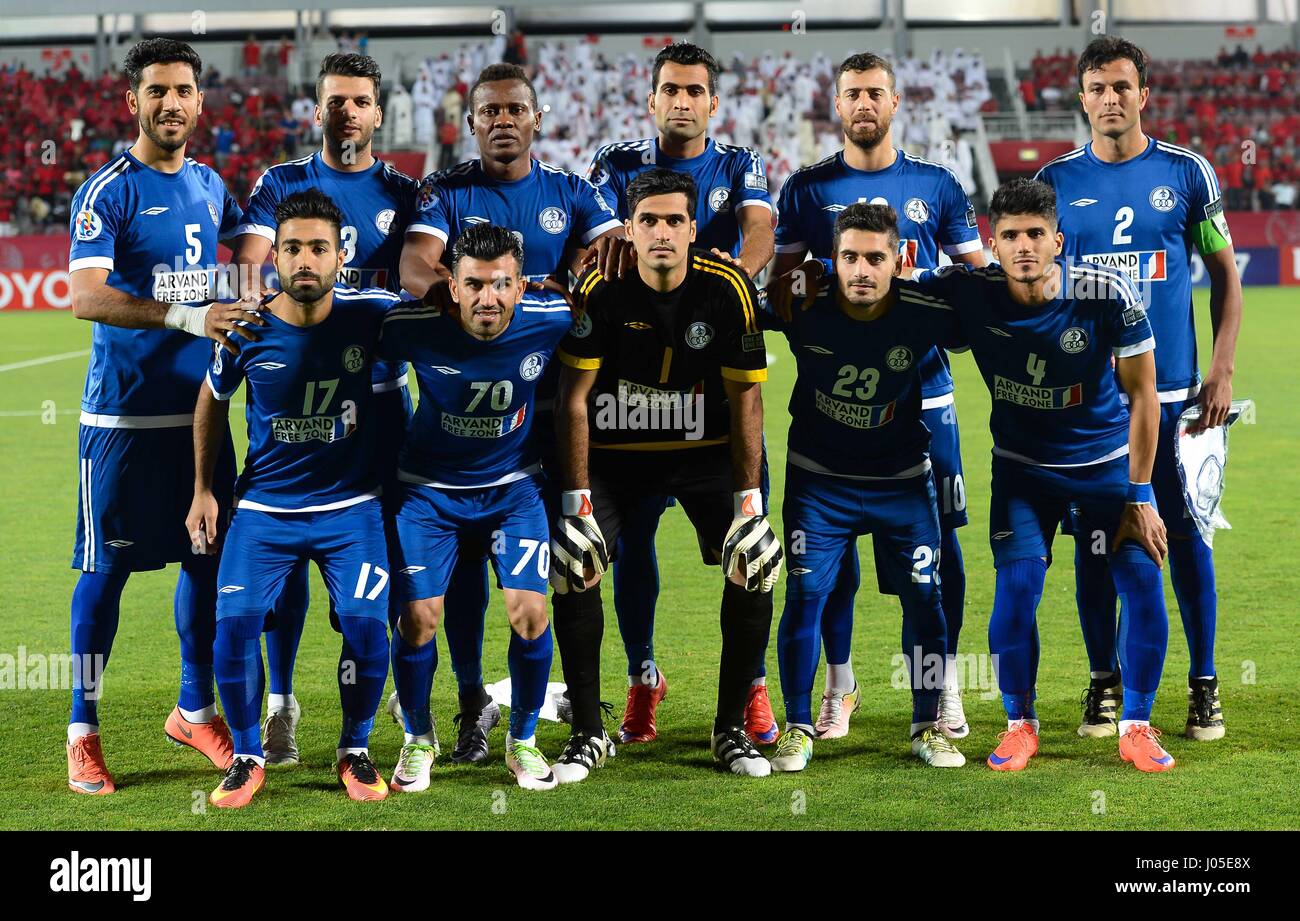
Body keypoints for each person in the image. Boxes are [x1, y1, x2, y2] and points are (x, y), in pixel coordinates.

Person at [398, 62, 621, 764]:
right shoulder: (446, 191)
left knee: (580, 558)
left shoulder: (570, 192)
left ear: (537, 117)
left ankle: (588, 709)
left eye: (513, 110)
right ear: (471, 124)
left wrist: (576, 279)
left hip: (561, 413)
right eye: (487, 111)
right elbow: (414, 268)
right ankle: (471, 702)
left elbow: (613, 255)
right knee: (459, 573)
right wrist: (474, 307)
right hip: (470, 408)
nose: (501, 121)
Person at [917, 178, 1175, 773]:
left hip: (1106, 469)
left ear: (1058, 240)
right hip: (1023, 473)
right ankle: (1020, 724)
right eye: (1010, 236)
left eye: (1036, 234)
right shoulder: (970, 292)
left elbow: (1144, 397)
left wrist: (1140, 494)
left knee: (1140, 583)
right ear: (992, 242)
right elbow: (887, 291)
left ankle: (1135, 725)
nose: (1024, 246)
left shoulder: (1105, 292)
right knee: (1015, 598)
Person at [64, 37, 261, 796]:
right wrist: (189, 315)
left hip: (202, 415)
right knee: (104, 573)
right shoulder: (107, 190)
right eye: (156, 91)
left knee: (205, 562)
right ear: (132, 102)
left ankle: (195, 708)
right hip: (121, 422)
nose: (170, 103)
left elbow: (252, 248)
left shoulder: (212, 186)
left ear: (200, 102)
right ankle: (83, 729)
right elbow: (85, 296)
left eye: (183, 90)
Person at [769, 52, 985, 742]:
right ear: (837, 106)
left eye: (876, 93)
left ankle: (943, 684)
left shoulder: (937, 185)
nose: (864, 104)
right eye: (852, 93)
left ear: (896, 103)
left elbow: (978, 280)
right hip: (836, 404)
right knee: (830, 556)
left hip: (927, 400)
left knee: (940, 547)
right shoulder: (805, 190)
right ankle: (839, 685)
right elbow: (784, 289)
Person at [1036, 37, 1243, 741]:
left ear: (1143, 95)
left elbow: (1226, 278)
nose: (1110, 99)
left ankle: (1204, 682)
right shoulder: (1054, 181)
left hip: (1182, 396)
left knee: (1187, 539)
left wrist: (1223, 367)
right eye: (1097, 87)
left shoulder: (1187, 172)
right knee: (1095, 541)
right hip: (1093, 401)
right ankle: (1103, 680)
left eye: (1122, 86)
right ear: (1083, 98)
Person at [549, 168, 782, 781]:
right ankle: (587, 733)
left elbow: (746, 402)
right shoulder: (600, 285)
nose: (661, 232)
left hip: (705, 451)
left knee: (752, 563)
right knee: (575, 563)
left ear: (693, 229)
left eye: (674, 220)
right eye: (648, 220)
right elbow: (574, 397)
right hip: (616, 456)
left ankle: (729, 728)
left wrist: (750, 506)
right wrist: (576, 504)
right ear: (629, 228)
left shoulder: (727, 286)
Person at [581, 42, 778, 745]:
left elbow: (759, 228)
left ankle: (751, 688)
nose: (683, 101)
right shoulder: (614, 163)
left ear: (713, 101)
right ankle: (642, 677)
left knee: (749, 549)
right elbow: (600, 239)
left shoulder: (738, 164)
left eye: (696, 90)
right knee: (627, 551)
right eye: (671, 89)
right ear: (653, 97)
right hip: (631, 397)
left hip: (714, 391)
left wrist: (738, 279)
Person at [231, 52, 419, 764]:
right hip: (293, 401)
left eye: (360, 101)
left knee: (380, 566)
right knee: (281, 567)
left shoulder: (405, 191)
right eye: (334, 101)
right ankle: (281, 704)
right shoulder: (282, 182)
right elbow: (253, 267)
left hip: (381, 407)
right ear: (318, 111)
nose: (347, 112)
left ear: (377, 113)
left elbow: (420, 276)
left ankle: (383, 696)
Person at [190, 189, 399, 808]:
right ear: (274, 256)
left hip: (351, 507)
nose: (304, 260)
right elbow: (210, 401)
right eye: (292, 248)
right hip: (263, 509)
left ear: (341, 256)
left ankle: (354, 750)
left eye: (318, 248)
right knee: (232, 631)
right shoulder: (247, 327)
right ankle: (249, 756)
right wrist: (204, 488)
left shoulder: (376, 315)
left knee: (367, 632)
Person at [764, 203, 967, 772]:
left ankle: (928, 726)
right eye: (848, 256)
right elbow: (732, 312)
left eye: (875, 258)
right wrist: (783, 278)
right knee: (805, 595)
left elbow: (993, 308)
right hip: (818, 484)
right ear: (832, 259)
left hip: (901, 483)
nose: (861, 270)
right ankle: (798, 727)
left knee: (925, 599)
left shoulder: (924, 311)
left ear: (898, 259)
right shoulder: (801, 304)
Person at [382, 225, 572, 792]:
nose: (488, 299)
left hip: (513, 489)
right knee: (419, 619)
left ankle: (523, 741)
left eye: (501, 285)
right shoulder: (408, 326)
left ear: (521, 286)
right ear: (452, 285)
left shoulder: (552, 316)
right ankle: (418, 737)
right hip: (427, 493)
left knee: (530, 614)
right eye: (474, 285)